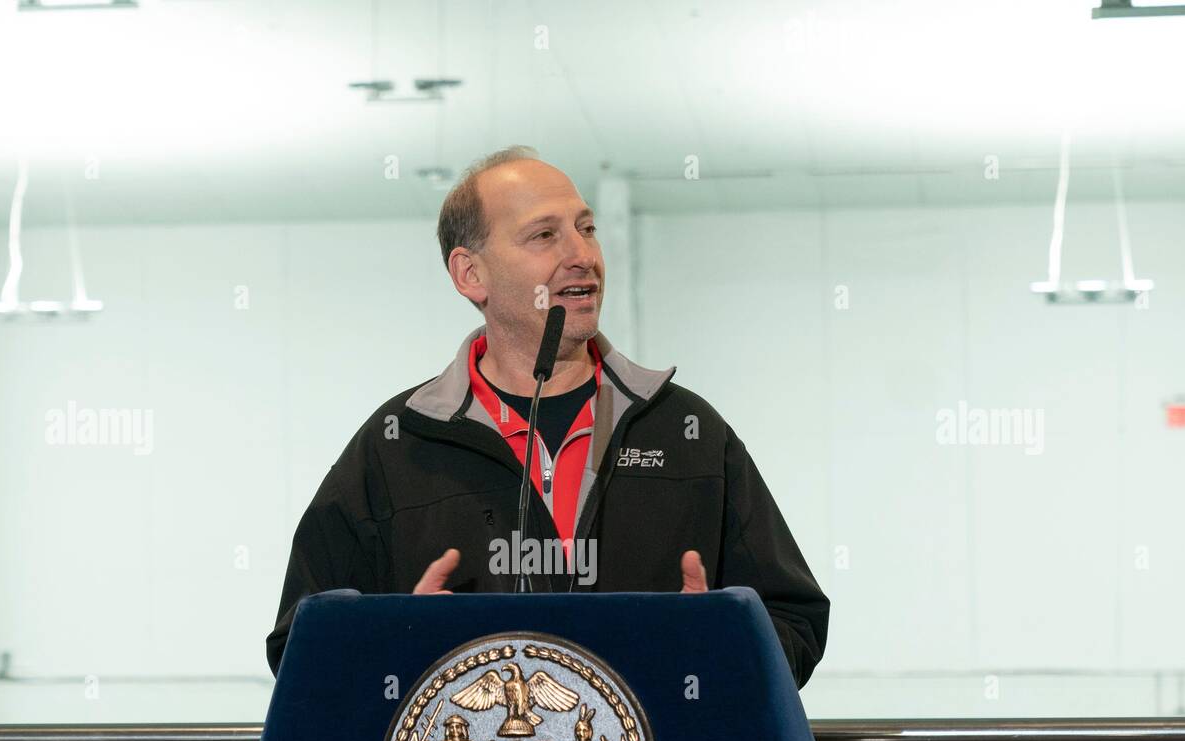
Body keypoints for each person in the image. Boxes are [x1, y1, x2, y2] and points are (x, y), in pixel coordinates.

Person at [267, 146, 829, 687]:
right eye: (544, 235)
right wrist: (399, 642)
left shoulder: (688, 432)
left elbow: (795, 620)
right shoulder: (396, 443)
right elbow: (299, 646)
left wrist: (717, 646)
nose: (582, 254)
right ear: (470, 275)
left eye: (586, 228)